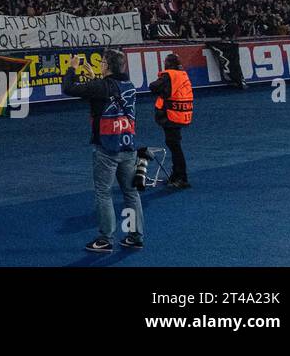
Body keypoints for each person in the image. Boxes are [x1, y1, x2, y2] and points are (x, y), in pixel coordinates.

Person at [62, 50, 145, 252]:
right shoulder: (130, 86)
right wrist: (95, 80)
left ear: (106, 65)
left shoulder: (101, 86)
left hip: (107, 147)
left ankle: (106, 238)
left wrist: (72, 68)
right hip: (128, 144)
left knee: (103, 193)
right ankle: (135, 236)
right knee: (131, 193)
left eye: (102, 62)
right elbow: (106, 94)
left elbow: (69, 88)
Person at [148, 53, 193, 189]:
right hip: (181, 113)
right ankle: (176, 175)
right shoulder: (182, 75)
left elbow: (154, 86)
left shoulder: (169, 75)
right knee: (174, 145)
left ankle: (181, 177)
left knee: (174, 146)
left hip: (171, 114)